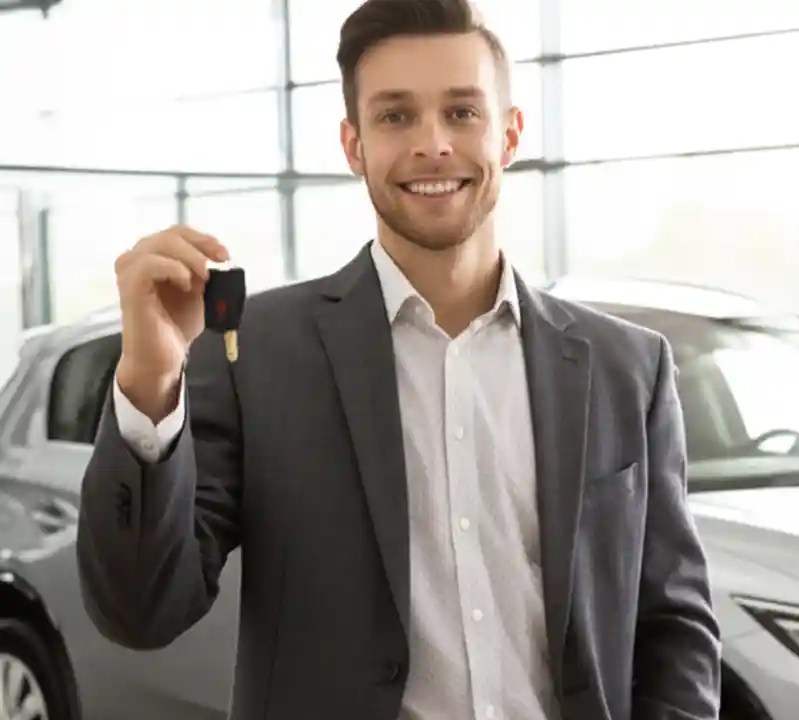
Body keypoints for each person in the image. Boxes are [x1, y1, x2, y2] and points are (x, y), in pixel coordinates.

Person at [75, 0, 722, 717]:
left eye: (462, 113)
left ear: (509, 134)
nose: (433, 143)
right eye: (395, 116)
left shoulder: (627, 368)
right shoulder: (256, 356)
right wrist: (151, 378)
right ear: (353, 146)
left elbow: (673, 627)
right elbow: (140, 611)